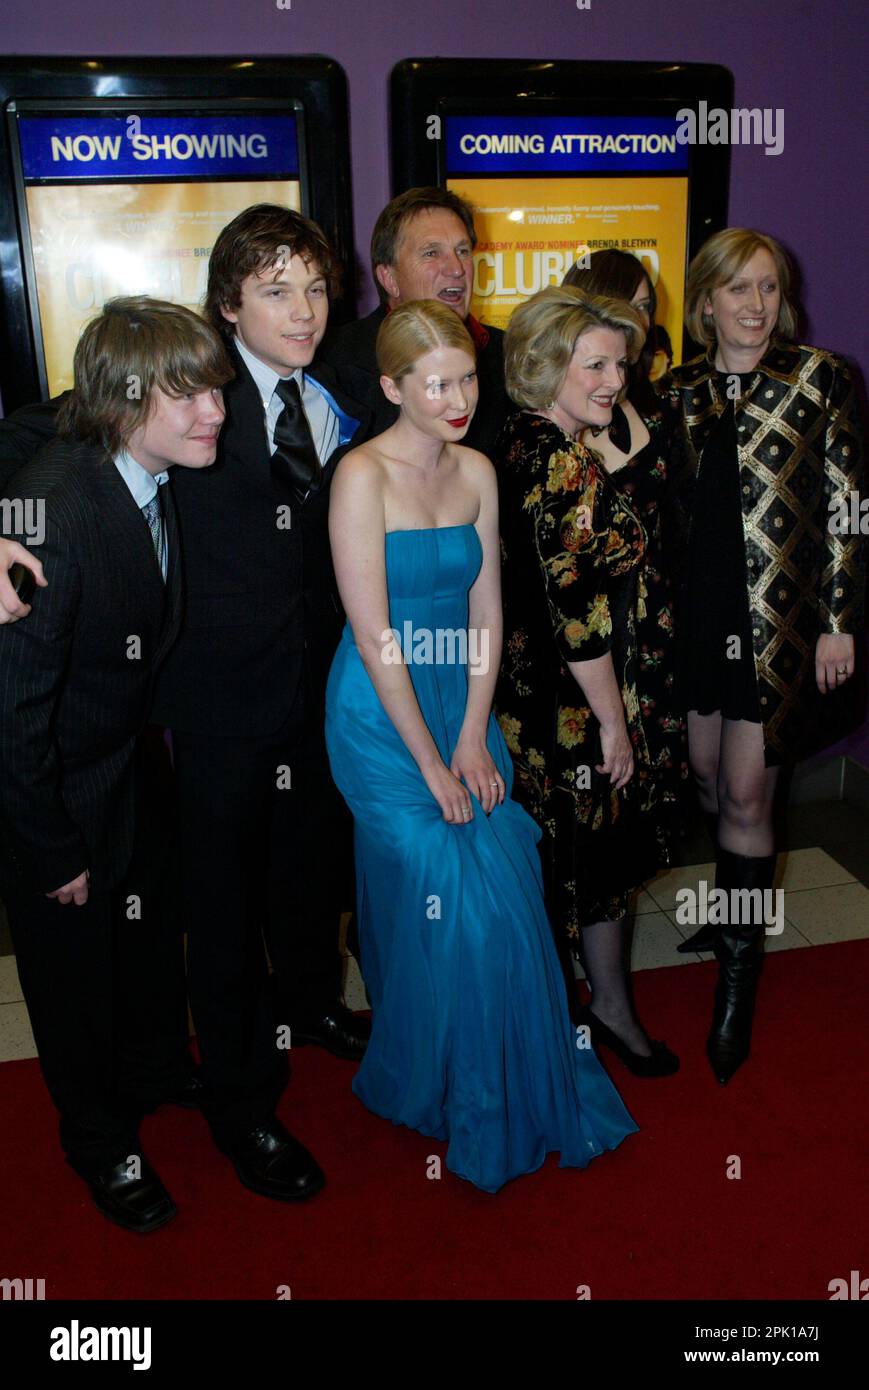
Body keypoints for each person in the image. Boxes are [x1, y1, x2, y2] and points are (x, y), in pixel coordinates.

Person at [0, 204, 374, 1203]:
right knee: (205, 925)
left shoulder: (340, 381)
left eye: (316, 287)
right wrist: (1, 529)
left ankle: (251, 1031)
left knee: (264, 892)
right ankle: (230, 1109)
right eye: (276, 290)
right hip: (197, 721)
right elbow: (37, 438)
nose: (303, 310)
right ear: (227, 306)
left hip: (303, 705)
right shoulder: (158, 405)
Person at [325, 299, 638, 1192]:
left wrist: (470, 736)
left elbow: (487, 615)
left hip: (461, 706)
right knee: (443, 897)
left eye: (466, 379)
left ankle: (476, 1080)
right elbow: (376, 636)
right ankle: (434, 1077)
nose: (459, 400)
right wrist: (430, 761)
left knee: (503, 897)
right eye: (436, 385)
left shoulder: (476, 470)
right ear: (393, 388)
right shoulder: (360, 476)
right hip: (381, 715)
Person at [0, 297, 232, 1232]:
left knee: (142, 946)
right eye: (190, 395)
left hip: (128, 768)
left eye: (215, 388)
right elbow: (11, 716)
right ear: (126, 402)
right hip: (53, 794)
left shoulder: (148, 464)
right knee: (72, 990)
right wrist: (51, 847)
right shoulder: (51, 513)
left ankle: (155, 1070)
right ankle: (98, 1142)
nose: (215, 412)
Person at [669, 227, 865, 1083]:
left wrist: (839, 620)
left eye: (769, 287)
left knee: (748, 796)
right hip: (697, 619)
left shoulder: (820, 378)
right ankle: (731, 908)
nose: (755, 305)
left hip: (781, 625)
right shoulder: (675, 390)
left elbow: (850, 504)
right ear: (705, 302)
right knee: (708, 779)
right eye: (737, 288)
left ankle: (736, 980)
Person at [494, 286, 679, 1079]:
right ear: (544, 365)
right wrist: (613, 721)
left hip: (518, 692)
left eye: (620, 364)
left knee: (560, 863)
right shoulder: (560, 461)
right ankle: (577, 1022)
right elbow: (577, 613)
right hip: (568, 702)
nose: (614, 380)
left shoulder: (514, 439)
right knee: (585, 862)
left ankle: (584, 1011)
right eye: (594, 365)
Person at [563, 250, 690, 859]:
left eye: (646, 307)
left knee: (642, 787)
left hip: (653, 620)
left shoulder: (655, 403)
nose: (638, 320)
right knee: (586, 788)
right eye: (626, 305)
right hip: (586, 623)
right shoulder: (553, 418)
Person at [319, 186, 511, 456]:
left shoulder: (509, 356)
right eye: (431, 253)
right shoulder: (335, 364)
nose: (457, 268)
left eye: (463, 251)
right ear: (389, 279)